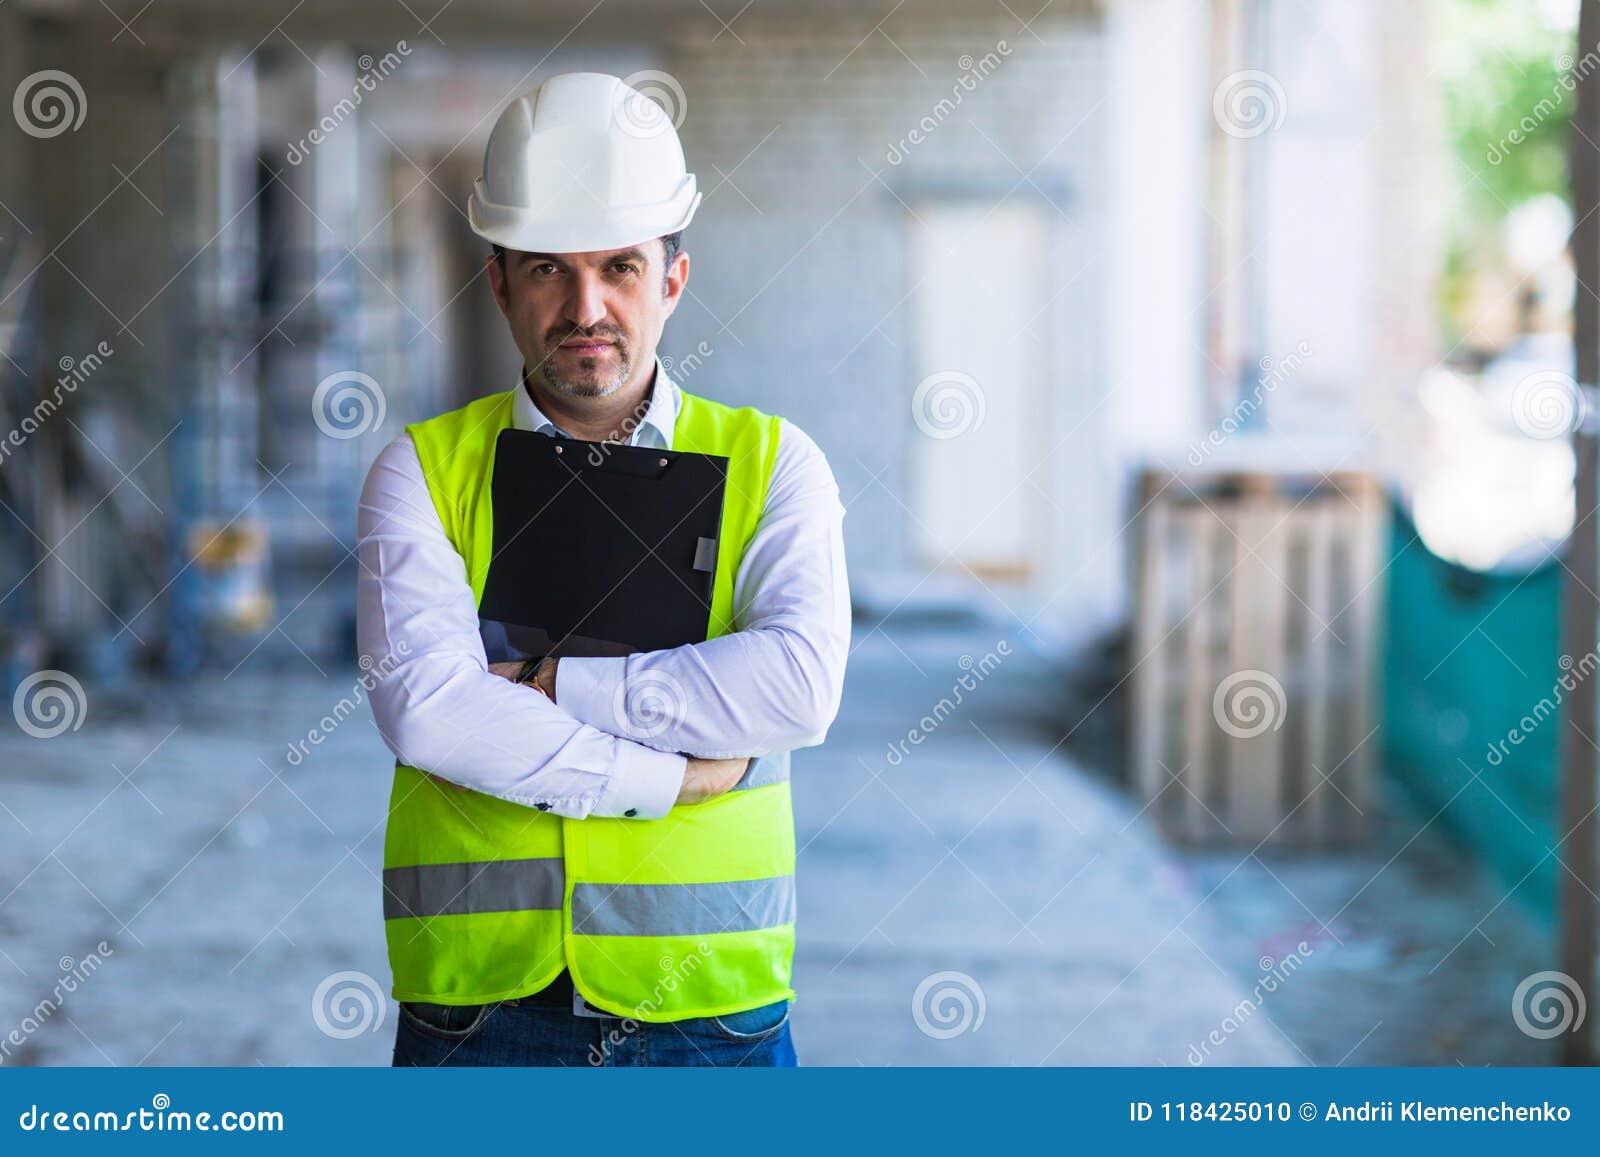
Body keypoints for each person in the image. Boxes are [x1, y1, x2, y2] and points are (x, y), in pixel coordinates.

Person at [357, 72, 849, 1067]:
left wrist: (553, 687)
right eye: (547, 269)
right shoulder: (422, 469)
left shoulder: (772, 462)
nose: (586, 307)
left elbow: (798, 685)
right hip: (480, 1012)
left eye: (620, 266)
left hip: (708, 1013)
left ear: (671, 279)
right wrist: (668, 779)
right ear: (497, 281)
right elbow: (428, 710)